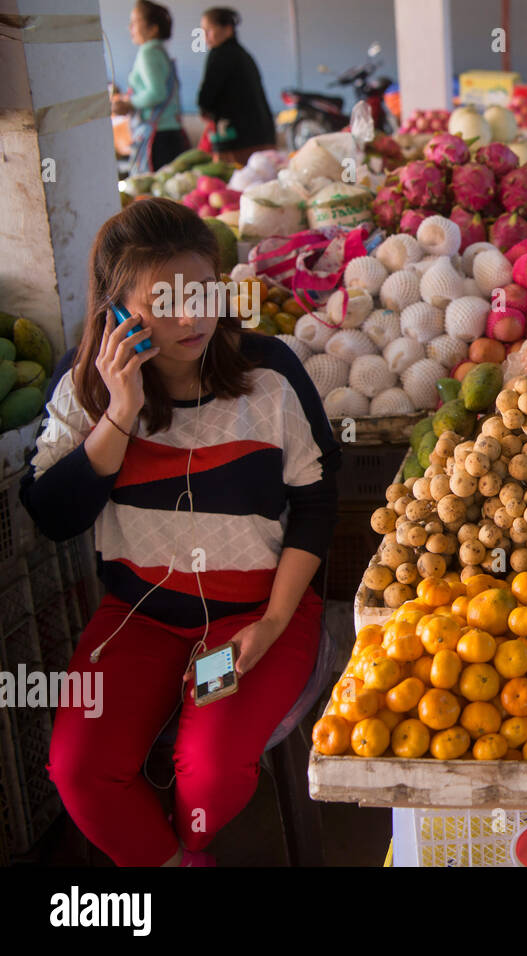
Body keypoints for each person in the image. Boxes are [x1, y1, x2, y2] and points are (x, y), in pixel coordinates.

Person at [23, 199, 340, 867]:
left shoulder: (269, 373)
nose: (191, 315)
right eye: (163, 303)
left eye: (201, 291)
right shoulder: (83, 388)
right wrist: (120, 412)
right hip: (140, 620)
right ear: (117, 312)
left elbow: (316, 502)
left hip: (252, 618)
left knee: (208, 768)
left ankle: (187, 849)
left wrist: (274, 622)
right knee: (79, 771)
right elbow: (53, 516)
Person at [196, 7, 277, 164]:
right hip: (263, 136)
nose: (205, 37)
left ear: (228, 30)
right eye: (202, 31)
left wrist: (204, 109)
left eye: (209, 30)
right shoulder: (244, 55)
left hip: (238, 142)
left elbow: (205, 98)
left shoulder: (219, 54)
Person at [112, 1, 186, 173]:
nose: (129, 27)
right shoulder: (159, 51)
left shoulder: (148, 52)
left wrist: (129, 102)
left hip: (158, 135)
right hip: (169, 131)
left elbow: (156, 92)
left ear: (153, 28)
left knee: (153, 191)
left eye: (135, 22)